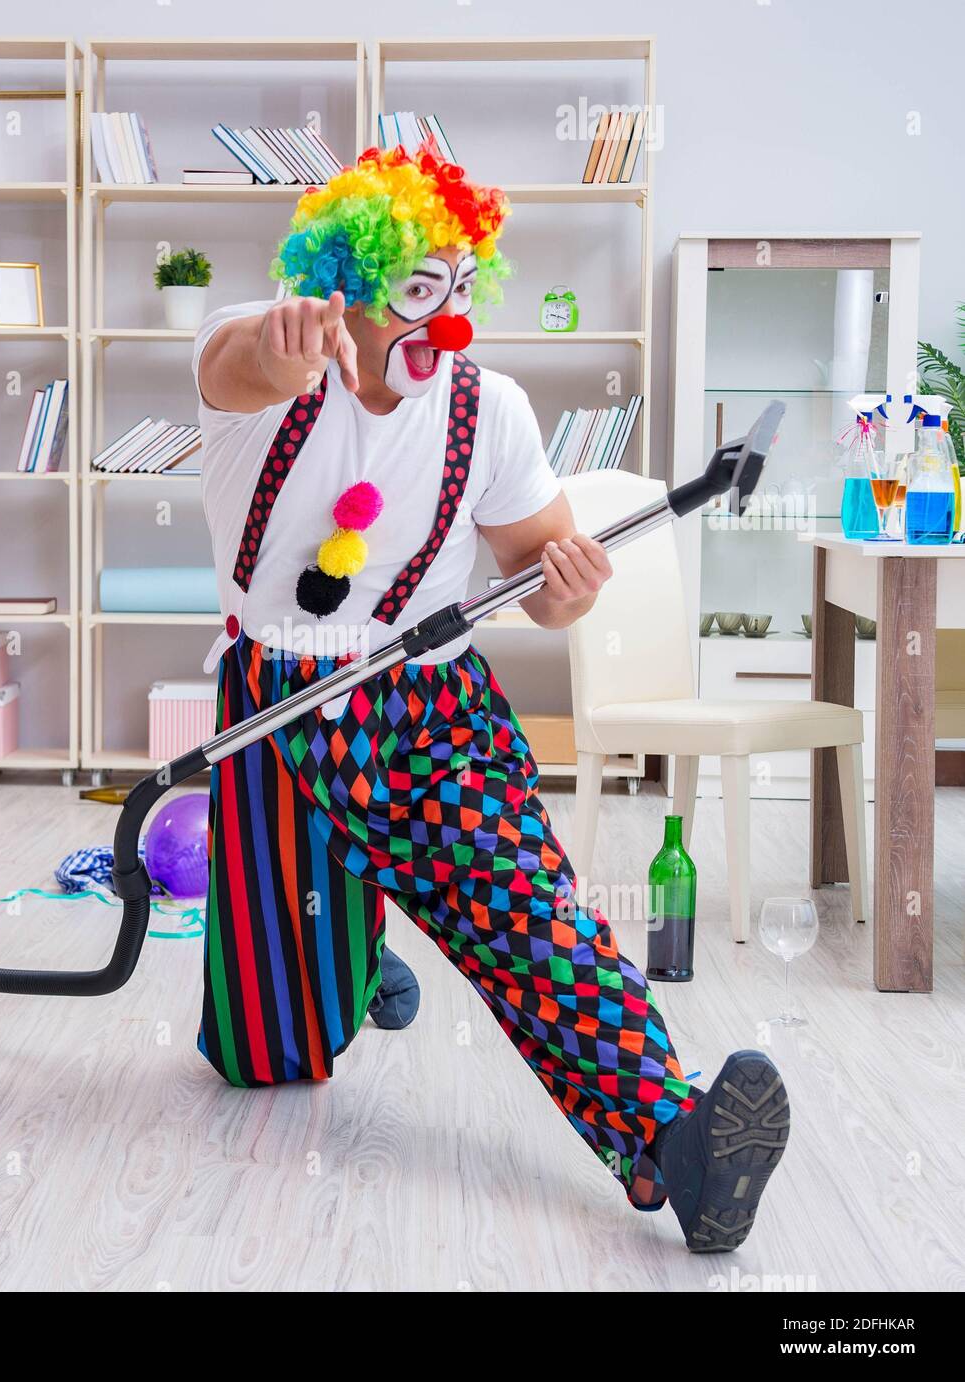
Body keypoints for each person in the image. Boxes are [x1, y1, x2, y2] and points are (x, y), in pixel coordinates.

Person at [190, 144, 788, 1251]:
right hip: (275, 708)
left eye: (462, 286)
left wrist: (565, 592)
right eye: (421, 289)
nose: (451, 318)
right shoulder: (265, 362)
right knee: (267, 1053)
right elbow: (237, 366)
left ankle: (674, 1146)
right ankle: (356, 945)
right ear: (344, 290)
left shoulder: (489, 407)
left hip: (428, 709)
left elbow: (542, 582)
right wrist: (282, 344)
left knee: (531, 914)